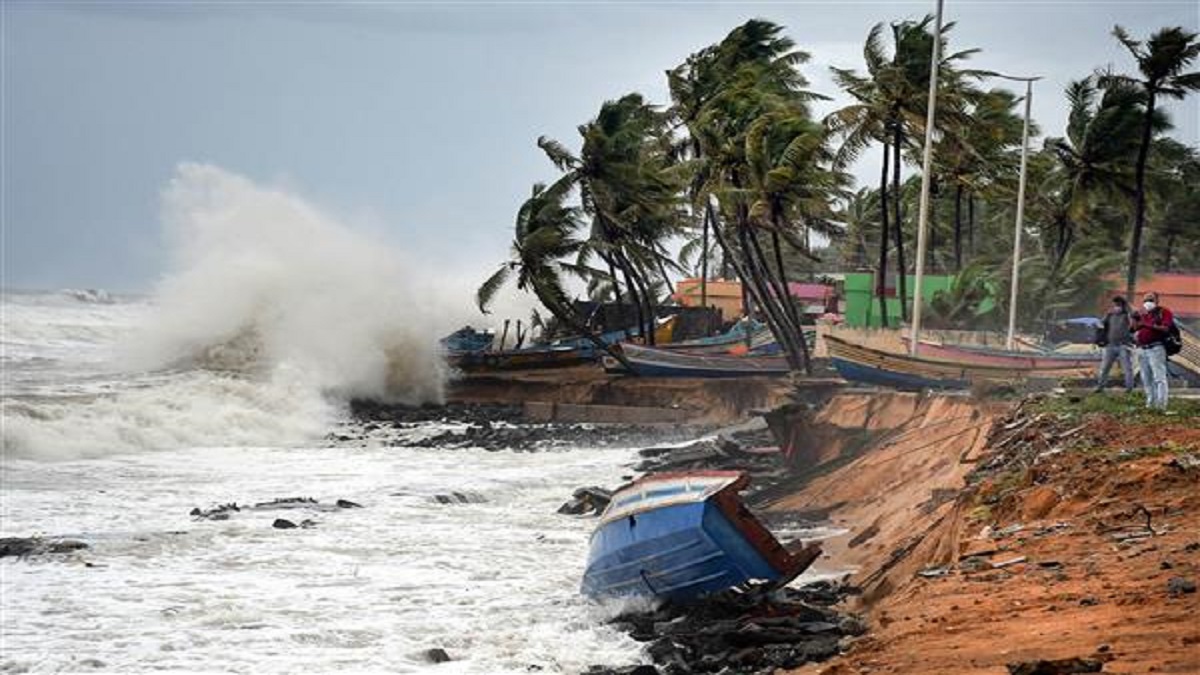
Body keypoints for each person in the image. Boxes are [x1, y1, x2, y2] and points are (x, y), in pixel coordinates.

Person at [1131, 291, 1175, 410]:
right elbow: (1133, 329)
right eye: (1145, 300)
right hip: (1142, 349)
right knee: (1146, 378)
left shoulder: (1164, 312)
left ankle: (1161, 406)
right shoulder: (1142, 314)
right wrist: (1134, 319)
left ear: (1157, 301)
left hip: (1156, 348)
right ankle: (1150, 405)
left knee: (1159, 378)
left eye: (1150, 299)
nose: (1148, 302)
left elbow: (1166, 329)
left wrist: (1145, 324)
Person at [1094, 296, 1135, 393]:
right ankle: (1100, 387)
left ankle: (1129, 388)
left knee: (1127, 368)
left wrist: (1127, 305)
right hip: (1110, 345)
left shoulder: (1127, 315)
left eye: (1119, 305)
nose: (1116, 307)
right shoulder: (1110, 315)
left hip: (1124, 345)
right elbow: (1100, 324)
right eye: (1115, 305)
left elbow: (1134, 317)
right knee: (1104, 367)